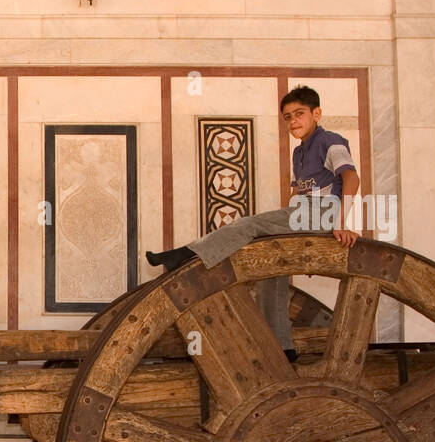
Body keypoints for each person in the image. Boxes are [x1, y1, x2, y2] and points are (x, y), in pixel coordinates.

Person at [145, 85, 362, 361]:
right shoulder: (299, 153)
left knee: (249, 225)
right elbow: (297, 194)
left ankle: (186, 254)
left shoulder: (331, 141)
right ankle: (282, 346)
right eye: (287, 117)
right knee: (272, 266)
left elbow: (351, 178)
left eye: (300, 114)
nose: (293, 121)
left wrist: (340, 224)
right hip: (302, 215)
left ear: (316, 113)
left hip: (322, 215)